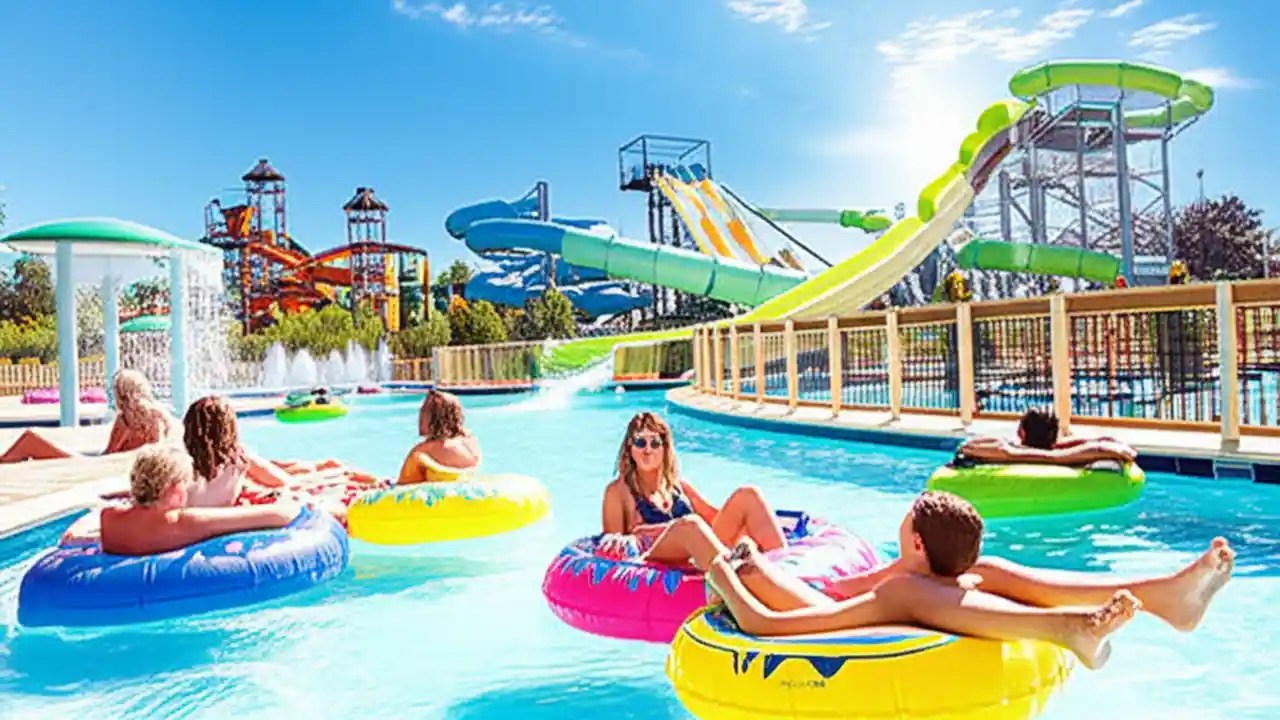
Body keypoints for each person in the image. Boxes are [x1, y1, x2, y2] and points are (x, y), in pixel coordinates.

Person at [701, 490, 1234, 670]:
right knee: (929, 585)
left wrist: (726, 570)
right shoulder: (900, 584)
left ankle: (1163, 595)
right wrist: (732, 572)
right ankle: (1068, 625)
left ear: (916, 545)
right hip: (823, 601)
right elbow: (777, 621)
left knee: (991, 570)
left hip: (864, 590)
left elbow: (770, 623)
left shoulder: (913, 575)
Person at [598, 411, 787, 566]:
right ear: (630, 447)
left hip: (698, 550)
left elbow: (714, 519)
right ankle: (737, 577)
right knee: (690, 526)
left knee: (748, 495)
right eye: (640, 442)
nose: (648, 449)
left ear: (665, 448)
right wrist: (653, 531)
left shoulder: (679, 487)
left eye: (655, 443)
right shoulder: (619, 492)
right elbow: (614, 550)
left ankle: (785, 568)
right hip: (659, 560)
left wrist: (751, 526)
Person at [97, 445, 301, 556]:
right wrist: (288, 501)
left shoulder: (108, 518)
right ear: (177, 489)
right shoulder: (183, 521)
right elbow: (282, 515)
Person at [1, 369, 178, 464]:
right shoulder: (160, 415)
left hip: (103, 466)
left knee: (29, 438)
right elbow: (161, 447)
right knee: (31, 440)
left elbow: (110, 453)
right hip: (126, 466)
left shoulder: (125, 419)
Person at [957, 406, 1137, 466]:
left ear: (1022, 432)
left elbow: (967, 447)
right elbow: (1103, 445)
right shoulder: (1055, 451)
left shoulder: (1009, 450)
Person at [396, 390, 482, 485]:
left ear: (429, 417)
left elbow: (401, 487)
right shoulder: (471, 443)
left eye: (424, 409)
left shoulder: (421, 452)